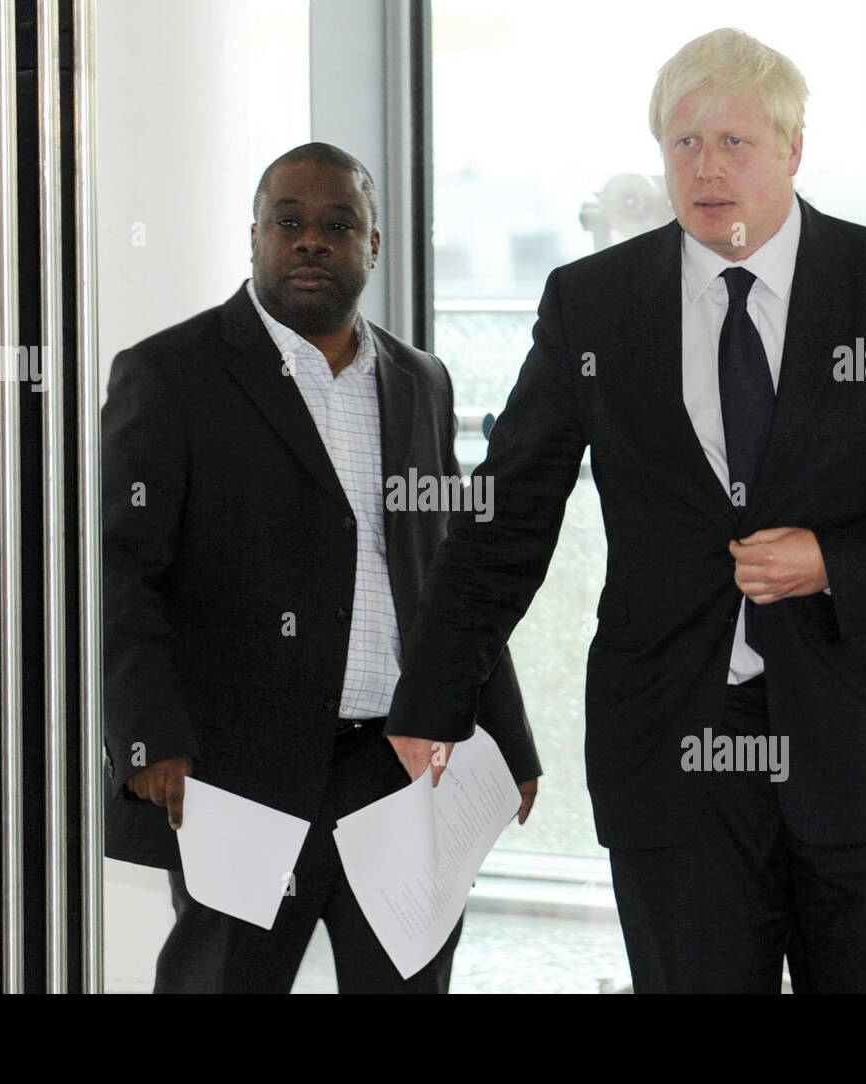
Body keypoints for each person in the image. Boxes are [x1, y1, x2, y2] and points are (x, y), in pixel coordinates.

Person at [384, 29, 866, 993]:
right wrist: (434, 694)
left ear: (793, 150)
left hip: (864, 758)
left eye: (733, 142)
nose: (706, 167)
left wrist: (833, 560)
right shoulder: (592, 305)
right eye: (683, 144)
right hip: (672, 755)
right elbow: (507, 514)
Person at [102, 142, 540, 993]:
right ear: (256, 238)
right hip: (235, 775)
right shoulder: (170, 374)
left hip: (399, 771)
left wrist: (506, 735)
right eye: (289, 223)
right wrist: (152, 737)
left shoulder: (422, 381)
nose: (311, 242)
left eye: (338, 225)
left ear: (373, 245)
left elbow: (450, 574)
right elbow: (127, 574)